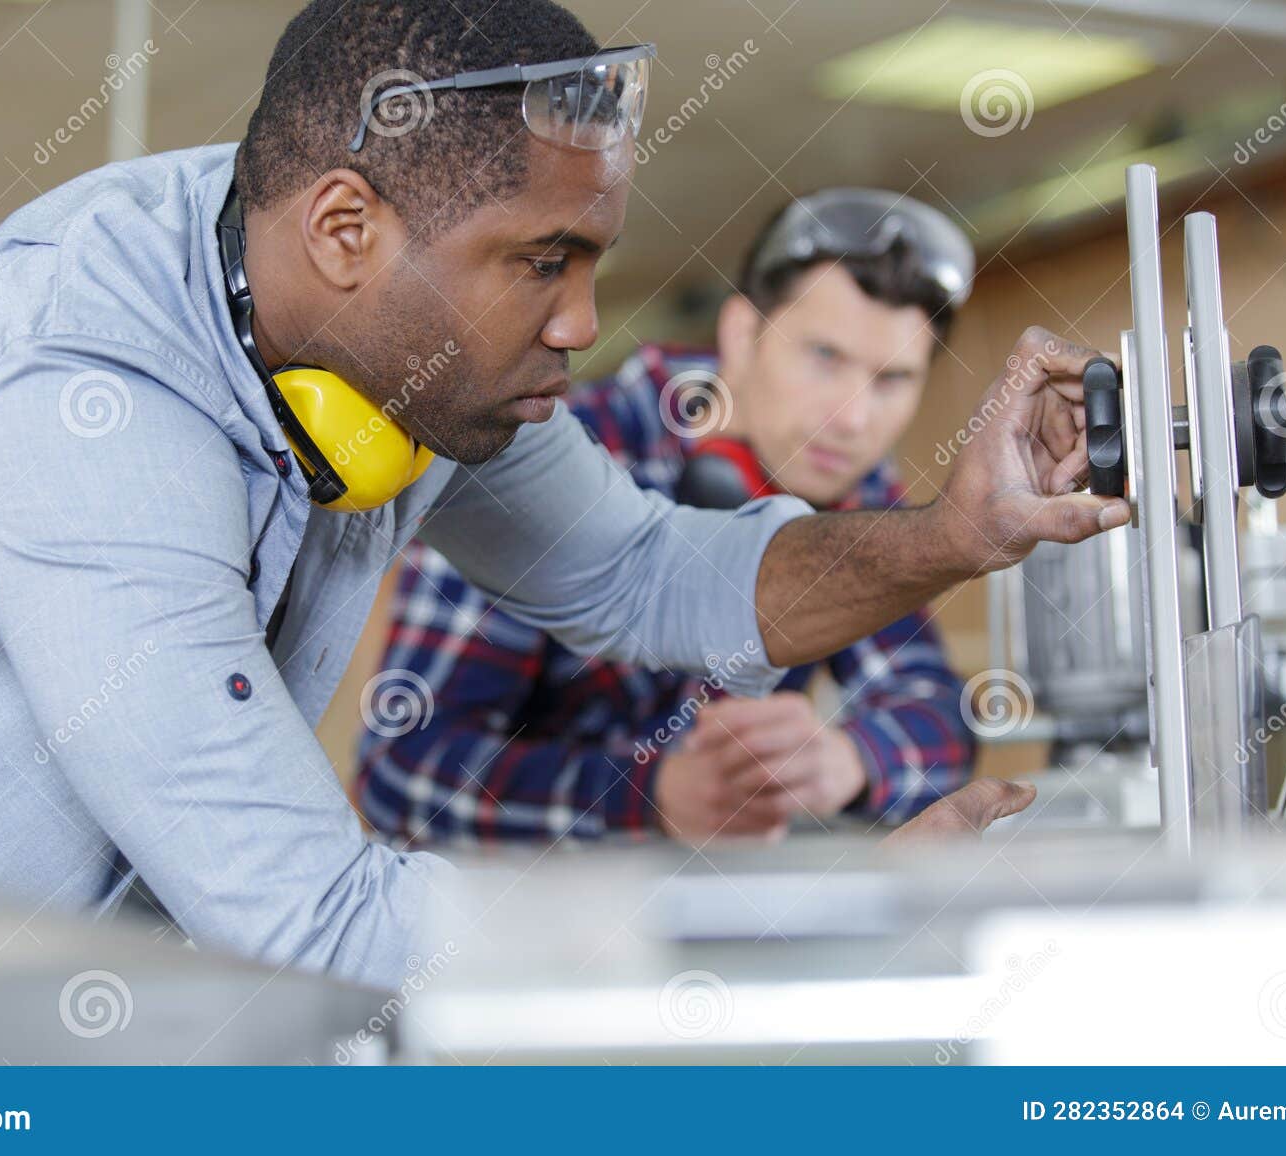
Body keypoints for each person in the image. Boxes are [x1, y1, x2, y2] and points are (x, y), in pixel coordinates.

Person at [0, 0, 1126, 992]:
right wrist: (836, 924)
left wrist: (957, 533)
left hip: (38, 991)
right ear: (347, 231)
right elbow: (321, 925)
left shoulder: (397, 348)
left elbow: (650, 574)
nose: (587, 321)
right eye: (543, 260)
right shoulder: (81, 420)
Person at [359, 190, 979, 845]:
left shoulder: (855, 481)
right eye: (824, 357)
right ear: (743, 334)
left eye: (892, 380)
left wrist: (851, 761)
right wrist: (644, 795)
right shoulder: (546, 455)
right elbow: (401, 775)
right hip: (524, 923)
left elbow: (936, 711)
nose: (852, 419)